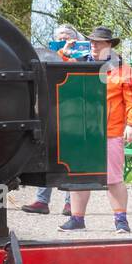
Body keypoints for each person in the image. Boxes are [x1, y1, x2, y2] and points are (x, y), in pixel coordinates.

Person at [58, 26, 132, 234]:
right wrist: (64, 51)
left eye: (99, 42)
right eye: (92, 41)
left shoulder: (122, 69)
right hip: (82, 131)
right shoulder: (80, 63)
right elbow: (56, 68)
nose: (94, 45)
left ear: (109, 45)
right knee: (79, 176)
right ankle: (77, 220)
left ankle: (121, 220)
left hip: (110, 130)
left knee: (113, 178)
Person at [21, 23, 81, 215]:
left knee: (69, 157)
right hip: (51, 111)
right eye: (60, 36)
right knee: (47, 154)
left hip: (72, 112)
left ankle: (71, 202)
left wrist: (66, 53)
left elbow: (71, 72)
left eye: (67, 36)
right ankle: (42, 200)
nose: (63, 39)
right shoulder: (46, 55)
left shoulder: (80, 55)